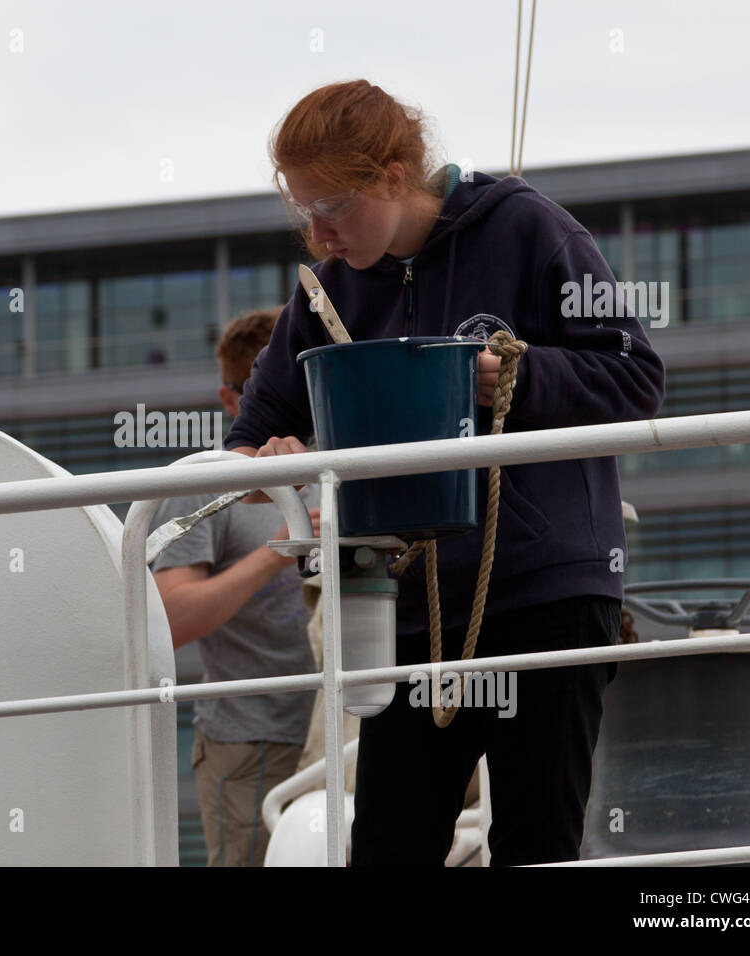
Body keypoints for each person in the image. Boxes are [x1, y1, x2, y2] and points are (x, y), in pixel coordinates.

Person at [224, 80, 666, 866]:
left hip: (547, 596)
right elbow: (247, 443)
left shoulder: (527, 227)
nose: (318, 235)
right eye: (303, 212)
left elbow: (635, 376)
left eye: (333, 207)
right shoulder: (324, 293)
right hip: (406, 617)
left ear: (395, 176)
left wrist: (523, 381)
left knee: (537, 843)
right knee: (389, 847)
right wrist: (275, 466)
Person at [150, 308, 321, 867]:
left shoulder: (345, 462)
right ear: (231, 402)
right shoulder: (203, 483)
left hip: (354, 723)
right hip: (253, 743)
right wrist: (280, 548)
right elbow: (170, 620)